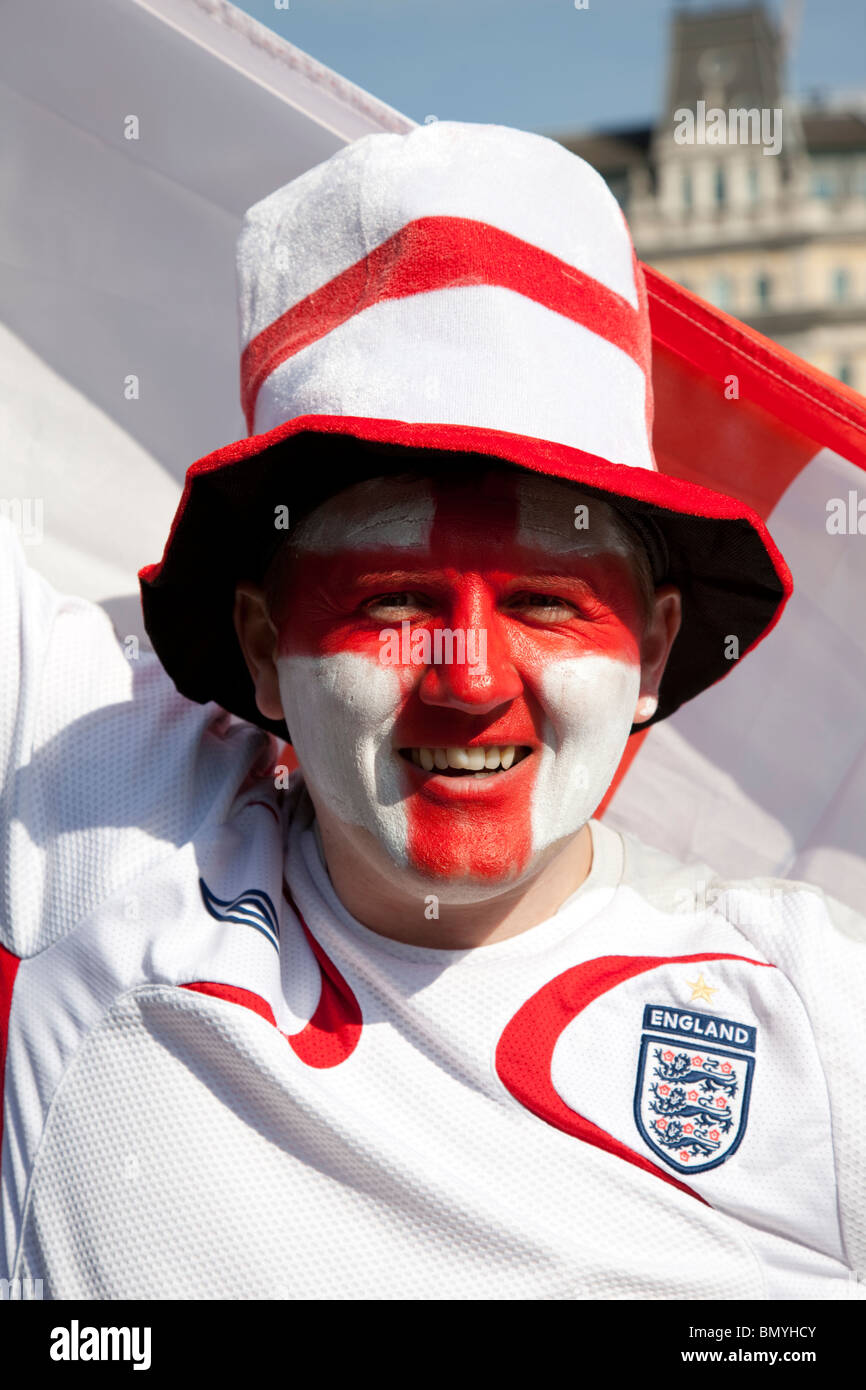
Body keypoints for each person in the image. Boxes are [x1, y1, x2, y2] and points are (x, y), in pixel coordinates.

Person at [1, 122, 863, 1301]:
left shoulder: (817, 1016)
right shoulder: (99, 803)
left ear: (652, 647)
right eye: (393, 597)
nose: (466, 677)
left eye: (546, 603)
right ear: (263, 647)